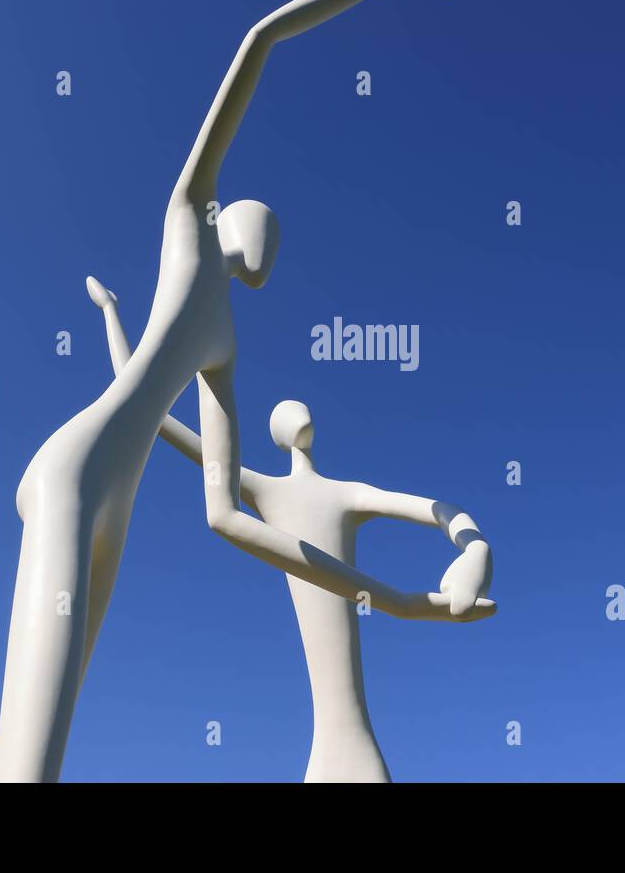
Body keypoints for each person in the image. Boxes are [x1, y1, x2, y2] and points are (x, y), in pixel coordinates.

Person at [0, 0, 494, 783]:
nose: (269, 249)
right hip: (74, 474)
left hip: (116, 491)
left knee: (25, 748)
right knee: (30, 759)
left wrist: (394, 599)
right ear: (231, 219)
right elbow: (259, 41)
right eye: (265, 228)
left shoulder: (224, 344)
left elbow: (221, 512)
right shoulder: (189, 218)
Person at [88, 279, 494, 782]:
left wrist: (475, 548)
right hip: (328, 746)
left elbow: (440, 509)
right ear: (275, 437)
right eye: (284, 414)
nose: (296, 415)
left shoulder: (348, 493)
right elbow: (156, 414)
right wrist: (111, 314)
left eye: (300, 410)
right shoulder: (262, 490)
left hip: (359, 741)